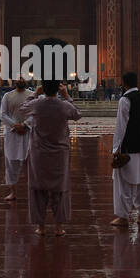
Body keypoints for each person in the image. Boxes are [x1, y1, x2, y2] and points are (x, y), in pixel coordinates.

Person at [20, 81, 81, 235]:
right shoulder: (64, 105)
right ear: (58, 90)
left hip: (39, 153)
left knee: (38, 190)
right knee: (60, 190)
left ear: (43, 89)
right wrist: (67, 96)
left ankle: (41, 227)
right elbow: (77, 114)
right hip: (59, 154)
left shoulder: (37, 104)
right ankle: (59, 227)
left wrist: (35, 93)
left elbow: (22, 110)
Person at [112, 71, 140, 228]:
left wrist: (116, 148)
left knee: (124, 183)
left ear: (124, 83)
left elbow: (121, 126)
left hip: (129, 147)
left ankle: (123, 217)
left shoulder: (125, 100)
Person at [2, 78, 32, 201]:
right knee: (10, 163)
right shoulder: (7, 96)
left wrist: (24, 125)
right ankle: (13, 192)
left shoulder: (32, 95)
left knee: (30, 163)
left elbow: (35, 113)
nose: (20, 80)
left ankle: (32, 191)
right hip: (12, 133)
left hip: (27, 132)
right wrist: (16, 125)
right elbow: (3, 114)